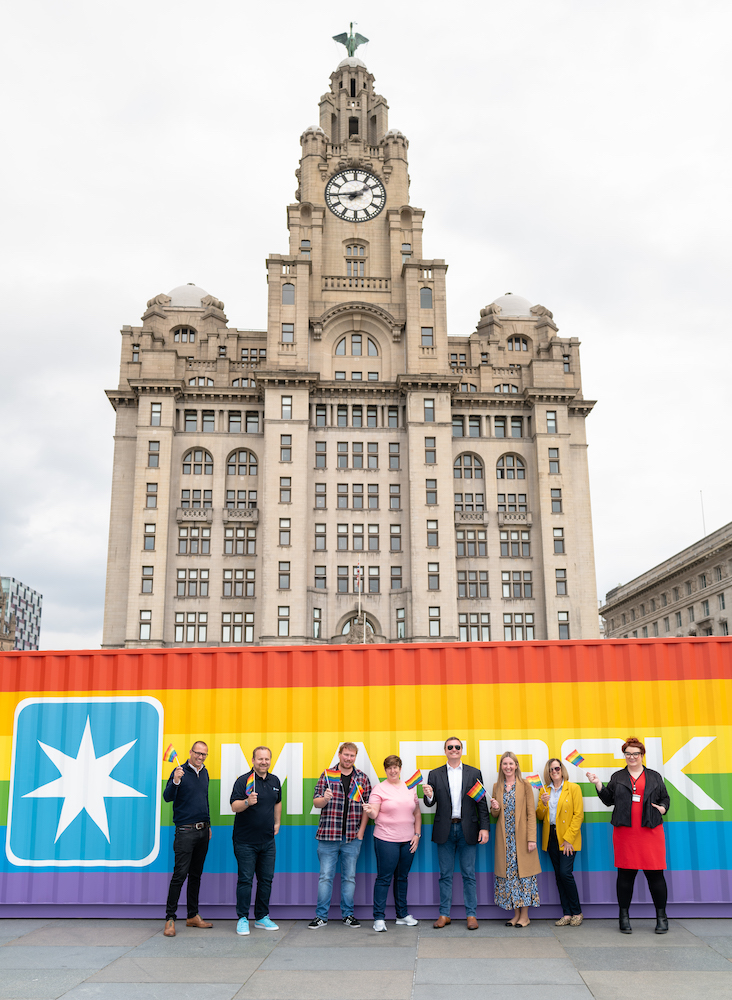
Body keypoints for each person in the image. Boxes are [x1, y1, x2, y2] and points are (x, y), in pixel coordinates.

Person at [587, 736, 670, 934]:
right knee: (625, 876)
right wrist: (598, 783)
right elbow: (608, 801)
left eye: (635, 754)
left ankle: (662, 917)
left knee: (656, 875)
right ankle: (623, 917)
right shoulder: (618, 777)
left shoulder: (655, 776)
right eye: (628, 754)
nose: (631, 757)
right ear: (624, 755)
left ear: (642, 755)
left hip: (651, 831)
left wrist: (663, 809)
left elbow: (665, 798)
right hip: (625, 832)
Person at [422, 737, 490, 930]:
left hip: (468, 829)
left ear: (462, 750)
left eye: (457, 747)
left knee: (469, 874)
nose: (453, 749)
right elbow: (430, 803)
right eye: (450, 747)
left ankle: (471, 915)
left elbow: (481, 803)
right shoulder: (434, 774)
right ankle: (444, 914)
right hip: (445, 829)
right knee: (445, 875)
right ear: (445, 750)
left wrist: (484, 828)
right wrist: (428, 796)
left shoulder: (473, 773)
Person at [308, 742, 372, 929]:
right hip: (328, 836)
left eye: (352, 756)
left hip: (352, 837)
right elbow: (316, 802)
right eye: (346, 754)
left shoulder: (361, 778)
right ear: (339, 754)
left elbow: (367, 808)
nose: (348, 758)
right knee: (325, 877)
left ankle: (348, 915)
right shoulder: (327, 775)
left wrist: (361, 833)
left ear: (355, 757)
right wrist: (325, 798)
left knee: (349, 877)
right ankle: (321, 916)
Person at [362, 754, 422, 932]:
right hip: (386, 840)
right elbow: (374, 814)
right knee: (384, 878)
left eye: (395, 767)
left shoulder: (410, 787)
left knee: (402, 878)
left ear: (400, 768)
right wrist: (370, 810)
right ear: (385, 770)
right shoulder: (379, 789)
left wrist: (417, 834)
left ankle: (402, 915)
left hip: (408, 841)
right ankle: (378, 918)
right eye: (389, 768)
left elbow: (417, 813)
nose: (393, 770)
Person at [163, 741, 213, 937]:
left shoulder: (205, 773)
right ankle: (170, 919)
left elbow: (204, 799)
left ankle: (192, 915)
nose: (200, 757)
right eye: (198, 753)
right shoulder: (179, 771)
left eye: (204, 755)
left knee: (196, 875)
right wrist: (175, 781)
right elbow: (168, 797)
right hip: (185, 831)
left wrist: (208, 825)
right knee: (179, 875)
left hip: (203, 831)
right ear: (190, 752)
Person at [230, 746, 282, 936]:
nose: (264, 762)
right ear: (253, 760)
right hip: (245, 842)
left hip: (267, 841)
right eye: (260, 759)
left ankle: (261, 917)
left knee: (266, 880)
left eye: (267, 759)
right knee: (245, 880)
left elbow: (277, 801)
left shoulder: (275, 780)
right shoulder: (244, 781)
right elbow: (233, 806)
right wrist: (246, 802)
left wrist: (277, 822)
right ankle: (242, 918)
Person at [490, 751, 541, 927]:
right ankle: (516, 914)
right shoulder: (497, 786)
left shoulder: (525, 785)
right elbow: (495, 815)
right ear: (501, 767)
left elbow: (530, 814)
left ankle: (525, 916)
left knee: (524, 877)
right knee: (510, 878)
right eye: (505, 764)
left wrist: (531, 838)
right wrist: (495, 808)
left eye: (511, 764)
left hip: (522, 838)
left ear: (516, 766)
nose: (508, 767)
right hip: (505, 840)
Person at [536, 758, 584, 926]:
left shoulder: (573, 788)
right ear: (548, 773)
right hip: (550, 837)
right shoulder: (544, 790)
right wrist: (542, 804)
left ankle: (577, 912)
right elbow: (540, 816)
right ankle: (567, 914)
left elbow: (578, 815)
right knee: (559, 875)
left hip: (566, 838)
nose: (554, 771)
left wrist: (569, 839)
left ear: (562, 769)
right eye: (551, 770)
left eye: (557, 768)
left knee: (565, 873)